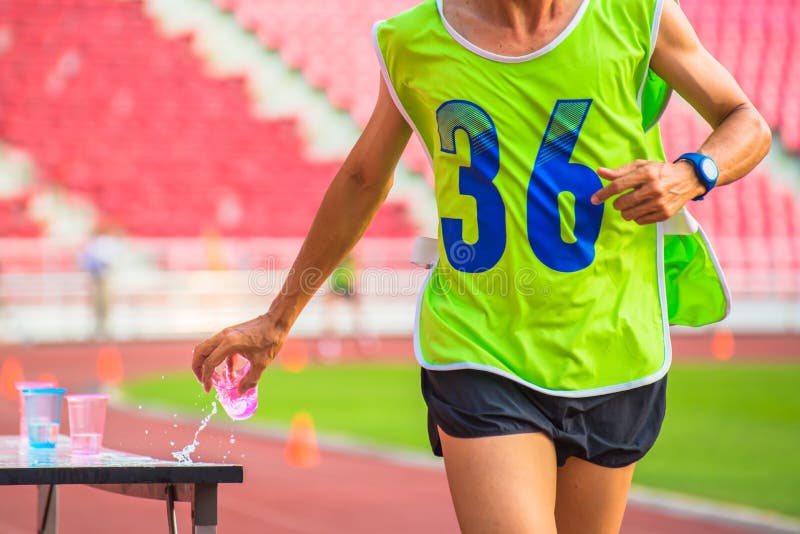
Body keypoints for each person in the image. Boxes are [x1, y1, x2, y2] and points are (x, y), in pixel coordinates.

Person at [193, 0, 770, 531]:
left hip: (615, 343)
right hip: (478, 346)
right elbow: (362, 178)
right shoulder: (412, 40)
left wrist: (693, 172)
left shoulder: (637, 14)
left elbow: (746, 120)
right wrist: (278, 320)